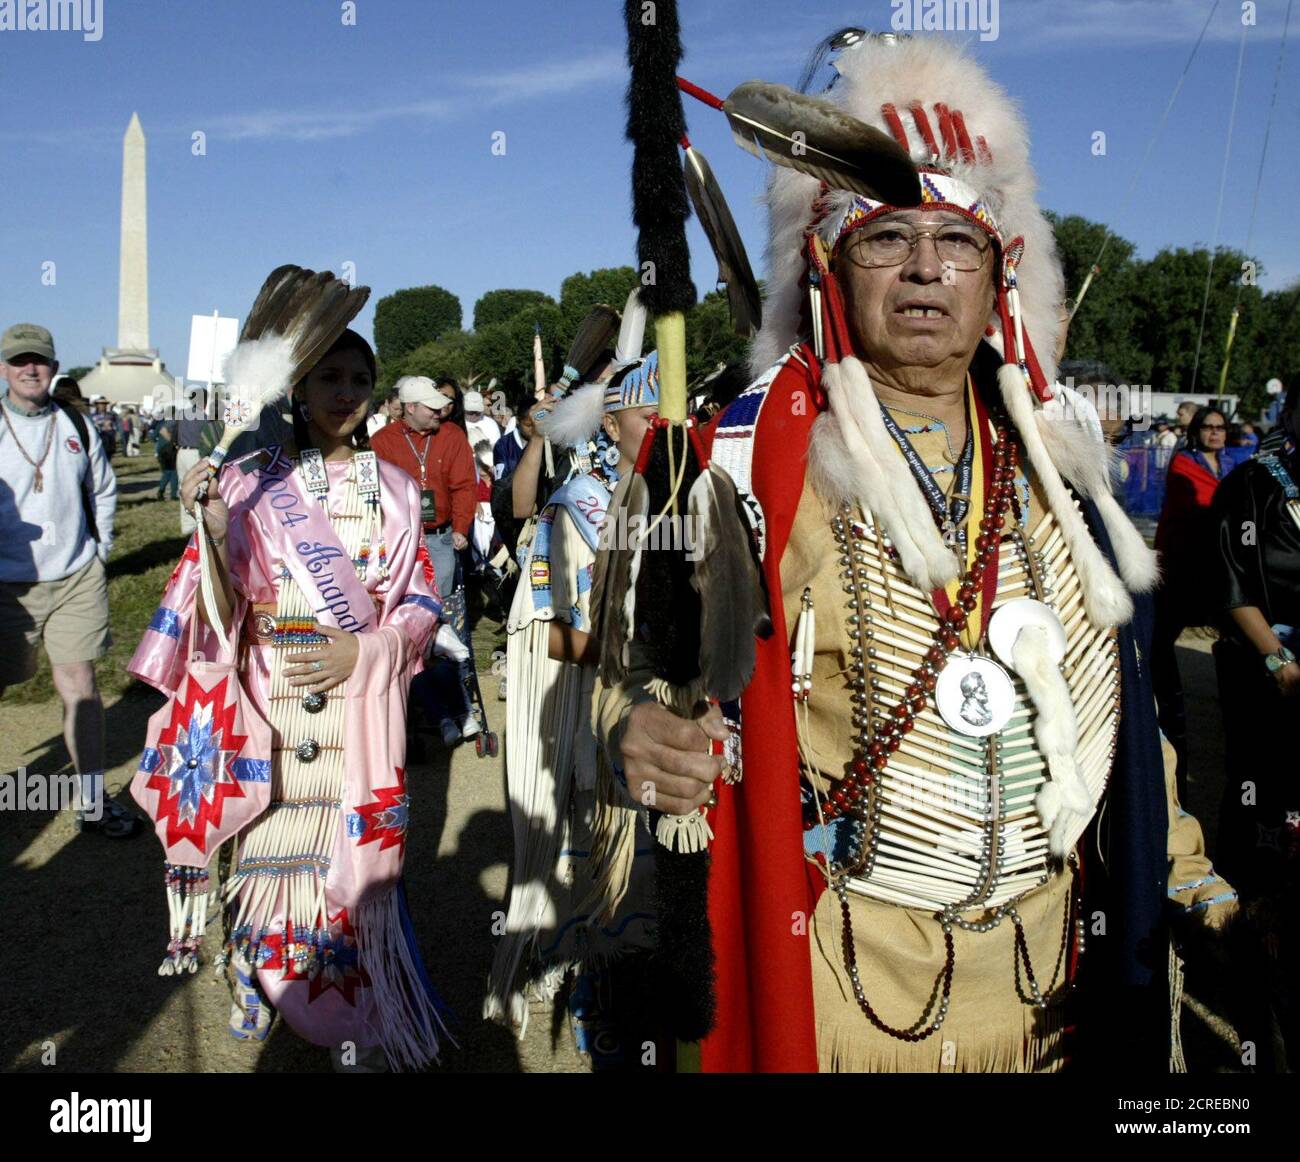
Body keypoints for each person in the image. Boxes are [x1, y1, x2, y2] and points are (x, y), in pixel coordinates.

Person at [592, 29, 1233, 1073]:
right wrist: (637, 735)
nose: (927, 268)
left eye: (959, 241)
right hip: (850, 987)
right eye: (886, 238)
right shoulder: (741, 470)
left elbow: (1118, 715)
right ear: (828, 267)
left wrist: (1192, 875)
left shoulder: (1062, 472)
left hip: (1052, 988)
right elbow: (627, 686)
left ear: (1000, 278)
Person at [129, 326, 448, 1069]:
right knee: (267, 849)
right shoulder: (249, 482)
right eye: (328, 377)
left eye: (358, 380)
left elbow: (423, 602)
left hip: (356, 710)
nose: (343, 393)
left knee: (343, 868)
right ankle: (262, 972)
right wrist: (210, 530)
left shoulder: (396, 490)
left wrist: (368, 650)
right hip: (268, 700)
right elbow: (219, 595)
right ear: (298, 391)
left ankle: (342, 998)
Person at [485, 353, 660, 1061]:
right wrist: (631, 656)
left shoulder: (691, 497)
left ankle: (646, 988)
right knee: (594, 861)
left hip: (668, 718)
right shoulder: (576, 506)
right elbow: (546, 631)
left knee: (657, 863)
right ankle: (592, 992)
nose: (666, 429)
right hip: (596, 719)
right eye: (651, 417)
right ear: (612, 423)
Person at [0, 323, 132, 836]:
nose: (29, 369)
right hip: (9, 586)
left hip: (76, 575)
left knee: (80, 685)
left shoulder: (74, 423)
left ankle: (93, 802)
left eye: (39, 360)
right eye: (18, 361)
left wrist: (100, 551)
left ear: (54, 368)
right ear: (4, 369)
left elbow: (102, 487)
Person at [1210, 375, 1300, 895]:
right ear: (1291, 413)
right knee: (1261, 787)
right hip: (1266, 669)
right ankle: (1249, 909)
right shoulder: (1251, 485)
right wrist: (1279, 663)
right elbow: (1232, 588)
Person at [371, 375, 480, 743]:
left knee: (447, 628)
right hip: (400, 546)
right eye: (432, 407)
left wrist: (462, 527)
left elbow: (466, 485)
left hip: (441, 539)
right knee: (415, 629)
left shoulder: (451, 437)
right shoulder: (382, 443)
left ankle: (463, 708)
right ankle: (439, 715)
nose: (440, 411)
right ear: (411, 408)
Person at [1152, 406, 1230, 793]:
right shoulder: (1184, 463)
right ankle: (1162, 703)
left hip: (1219, 567)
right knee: (1161, 639)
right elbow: (1204, 508)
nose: (1215, 434)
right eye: (1208, 428)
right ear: (1197, 432)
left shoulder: (1233, 465)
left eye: (1220, 428)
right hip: (1183, 565)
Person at [175, 387, 210, 536]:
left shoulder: (182, 414)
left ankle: (187, 524)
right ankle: (197, 522)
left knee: (183, 487)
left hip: (181, 452)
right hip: (196, 454)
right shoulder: (204, 417)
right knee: (197, 488)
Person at [154, 419, 179, 500]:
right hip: (169, 450)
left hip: (161, 450)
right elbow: (163, 431)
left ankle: (162, 491)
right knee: (173, 472)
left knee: (167, 472)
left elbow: (154, 436)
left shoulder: (160, 423)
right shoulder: (173, 422)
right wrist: (173, 442)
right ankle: (172, 494)